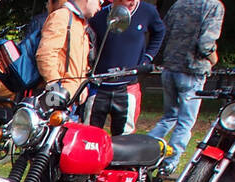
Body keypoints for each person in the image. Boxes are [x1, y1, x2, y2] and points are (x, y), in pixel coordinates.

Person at [148, 0, 224, 169]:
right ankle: (169, 163)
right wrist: (213, 58)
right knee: (185, 121)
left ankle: (145, 150)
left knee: (168, 117)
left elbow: (163, 32)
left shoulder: (179, 4)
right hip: (192, 70)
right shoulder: (213, 6)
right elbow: (206, 44)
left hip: (170, 67)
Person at [86, 0, 163, 135]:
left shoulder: (147, 11)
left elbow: (159, 32)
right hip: (99, 86)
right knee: (88, 135)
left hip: (128, 87)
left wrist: (147, 58)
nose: (132, 1)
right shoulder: (98, 15)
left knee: (125, 138)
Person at [36, 0, 101, 94]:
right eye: (99, 2)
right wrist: (56, 88)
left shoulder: (80, 23)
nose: (99, 8)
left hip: (71, 96)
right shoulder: (62, 16)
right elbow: (45, 55)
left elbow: (79, 64)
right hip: (57, 96)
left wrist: (82, 87)